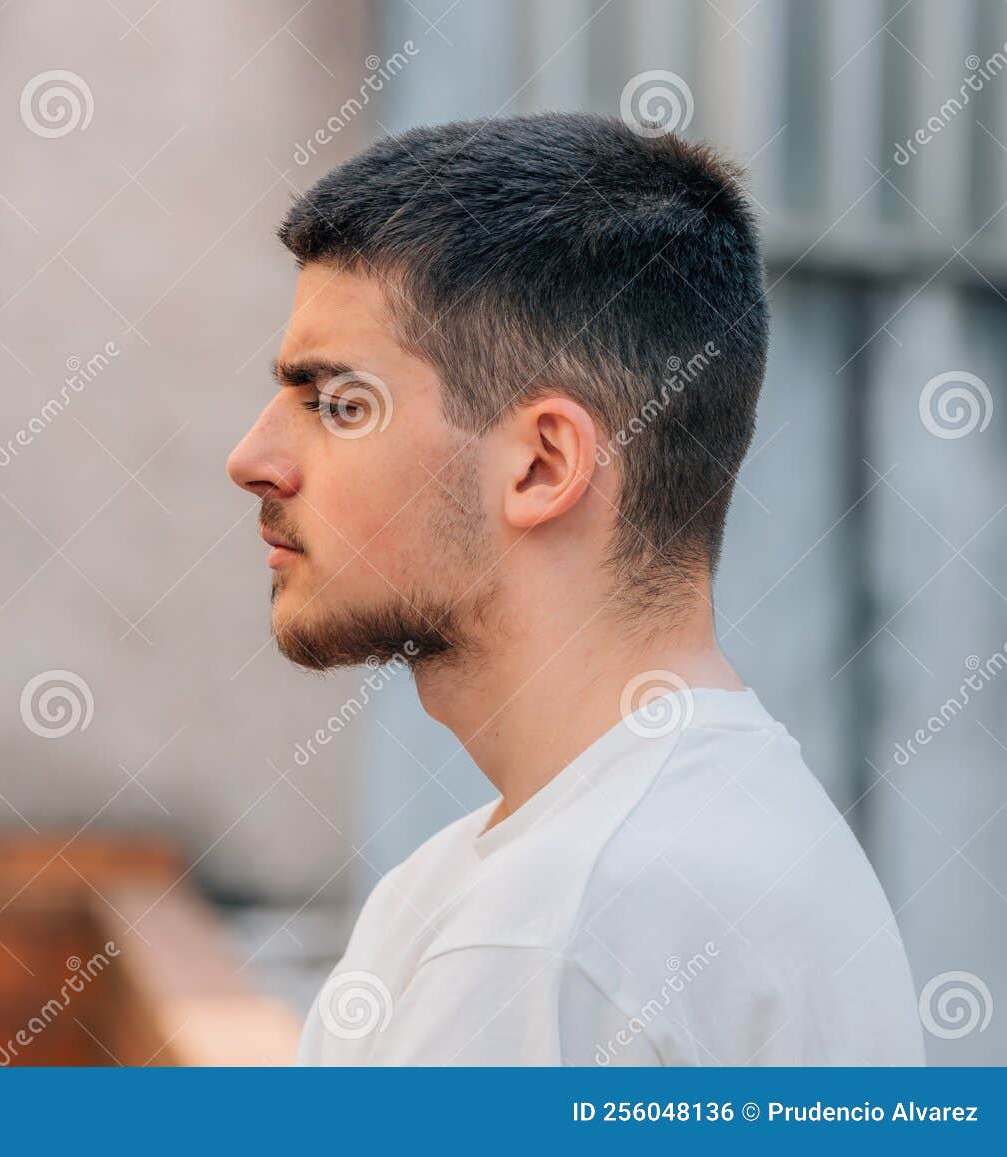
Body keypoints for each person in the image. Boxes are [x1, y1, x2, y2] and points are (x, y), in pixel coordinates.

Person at [226, 113, 923, 1065]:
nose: (253, 459)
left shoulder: (555, 933)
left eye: (337, 403)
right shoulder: (735, 834)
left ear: (543, 464)